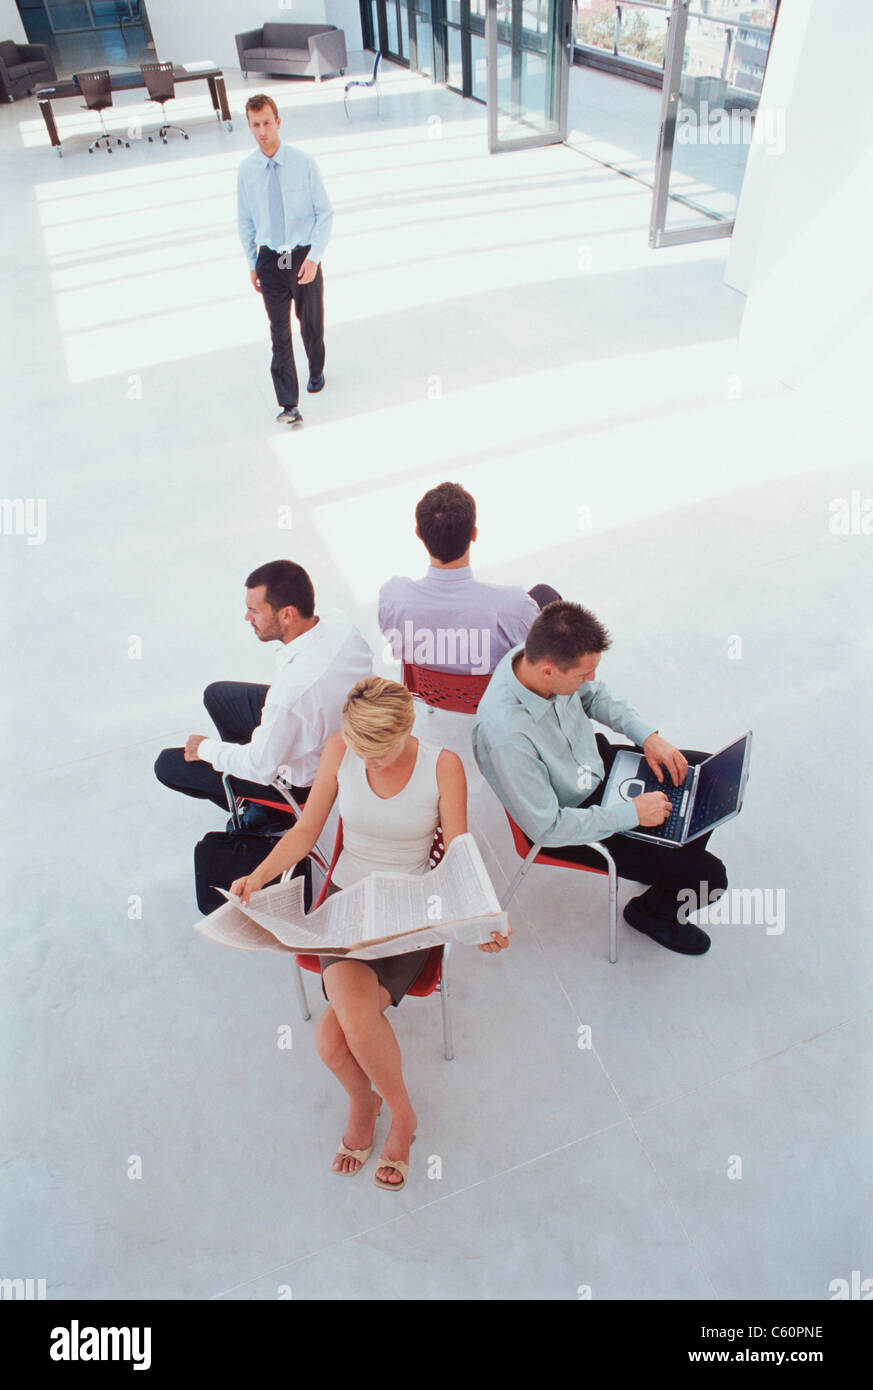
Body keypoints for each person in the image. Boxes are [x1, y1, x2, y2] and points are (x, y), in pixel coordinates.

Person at [230, 677, 511, 1189]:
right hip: (347, 905)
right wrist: (259, 877)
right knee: (339, 1034)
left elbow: (459, 859)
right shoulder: (341, 750)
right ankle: (387, 1109)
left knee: (333, 1040)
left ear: (407, 729)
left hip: (409, 912)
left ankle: (381, 1108)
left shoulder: (443, 767)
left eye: (379, 754)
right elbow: (305, 831)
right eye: (362, 750)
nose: (369, 762)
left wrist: (480, 924)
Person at [472, 601, 728, 956]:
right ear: (548, 671)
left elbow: (595, 696)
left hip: (598, 767)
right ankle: (651, 912)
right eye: (582, 674)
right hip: (572, 820)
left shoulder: (532, 659)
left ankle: (666, 858)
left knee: (704, 780)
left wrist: (647, 737)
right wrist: (633, 815)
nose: (589, 680)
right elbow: (548, 828)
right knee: (709, 878)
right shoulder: (506, 736)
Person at [154, 561, 373, 819]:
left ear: (287, 614)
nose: (247, 618)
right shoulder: (339, 622)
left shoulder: (290, 695)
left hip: (305, 781)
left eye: (254, 611)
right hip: (340, 730)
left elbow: (261, 767)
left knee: (167, 765)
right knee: (217, 696)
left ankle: (268, 810)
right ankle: (251, 783)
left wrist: (205, 749)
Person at [378, 481, 559, 677]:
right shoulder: (514, 605)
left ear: (419, 534)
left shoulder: (392, 598)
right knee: (545, 597)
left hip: (427, 701)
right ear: (474, 534)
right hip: (489, 701)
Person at [237, 93, 333, 426]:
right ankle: (288, 404)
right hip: (270, 261)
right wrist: (252, 263)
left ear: (278, 122)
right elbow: (245, 220)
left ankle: (316, 368)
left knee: (310, 323)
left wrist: (315, 258)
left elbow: (325, 213)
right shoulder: (247, 171)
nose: (262, 131)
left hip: (302, 256)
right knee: (279, 333)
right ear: (249, 127)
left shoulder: (303, 163)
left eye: (267, 123)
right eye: (255, 125)